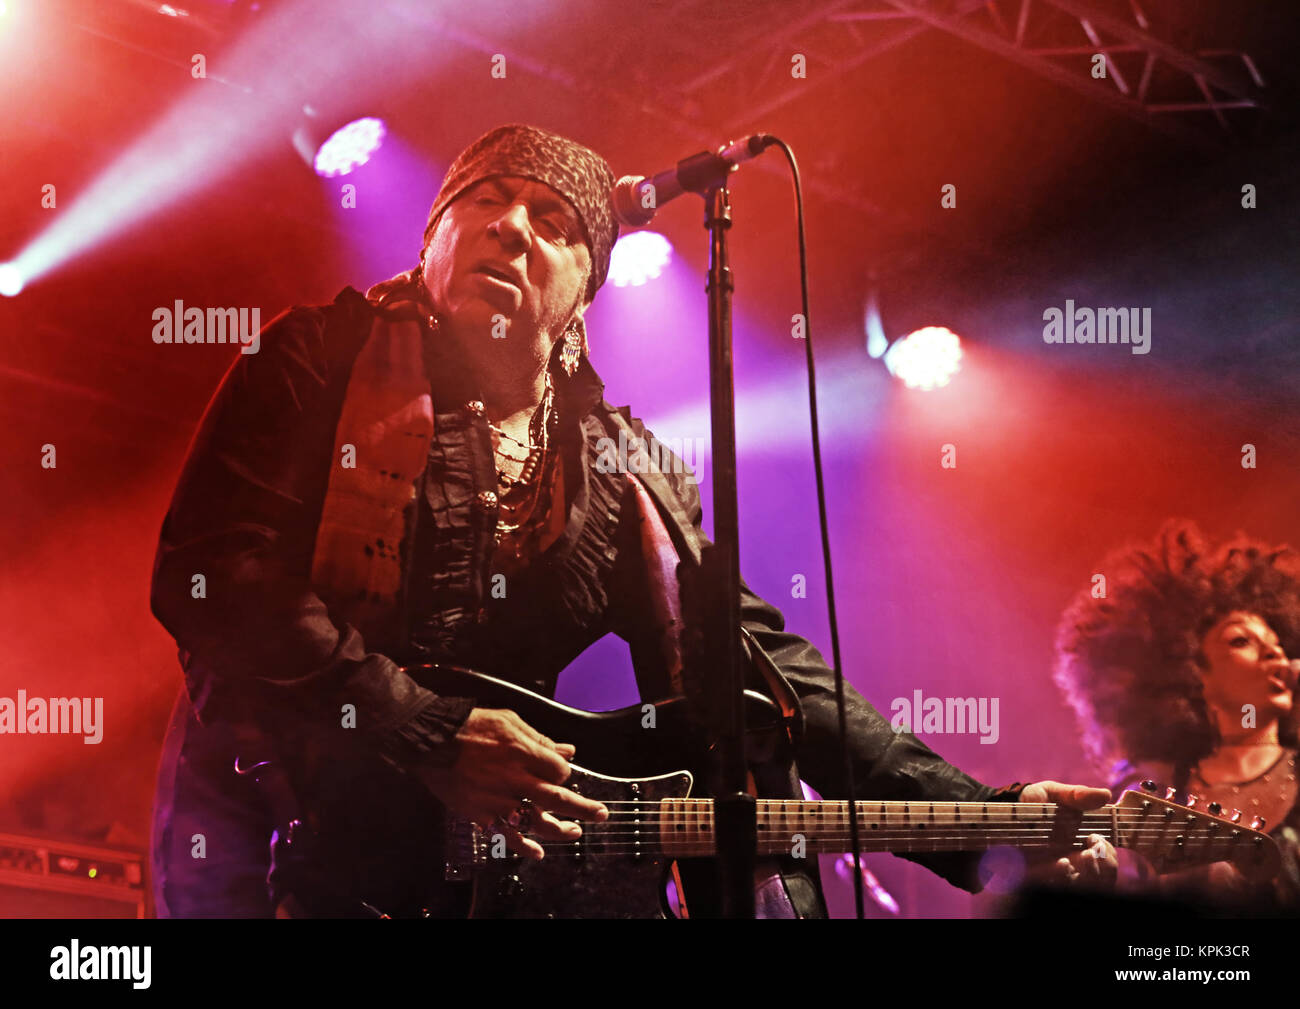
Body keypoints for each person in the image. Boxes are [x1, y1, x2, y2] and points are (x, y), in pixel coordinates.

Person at [149, 123, 1116, 918]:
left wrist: (989, 817)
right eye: (485, 202)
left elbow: (757, 666)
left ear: (581, 294)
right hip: (271, 820)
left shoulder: (620, 466)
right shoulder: (316, 358)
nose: (512, 228)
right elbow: (218, 579)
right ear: (432, 239)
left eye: (554, 220)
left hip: (491, 870)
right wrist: (431, 729)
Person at [1054, 520, 1300, 907]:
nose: (1277, 654)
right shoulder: (1147, 789)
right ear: (1193, 674)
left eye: (1279, 644)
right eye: (1241, 640)